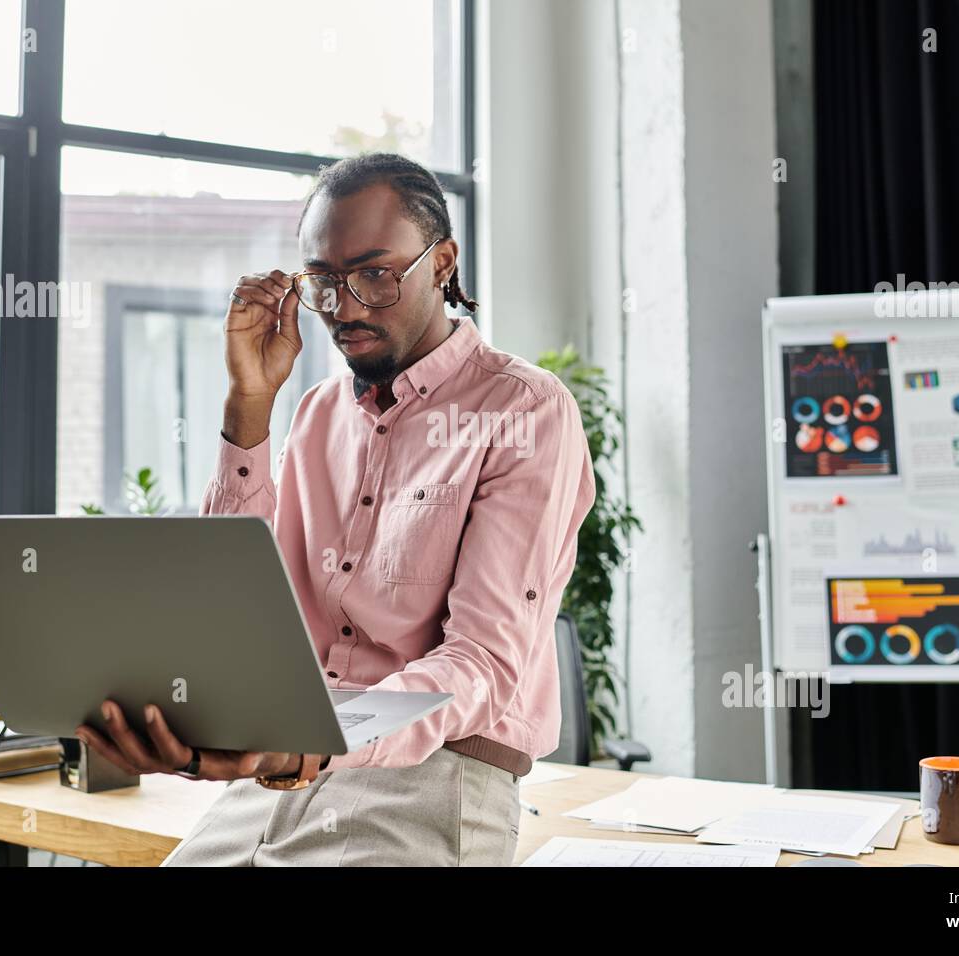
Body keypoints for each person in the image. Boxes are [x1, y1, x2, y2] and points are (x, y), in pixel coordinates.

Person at [76, 152, 595, 866]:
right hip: (277, 777)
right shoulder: (319, 415)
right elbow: (235, 606)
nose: (345, 306)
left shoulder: (524, 410)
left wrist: (317, 738)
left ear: (441, 263)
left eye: (375, 274)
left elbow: (481, 662)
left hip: (433, 775)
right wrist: (249, 407)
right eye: (322, 281)